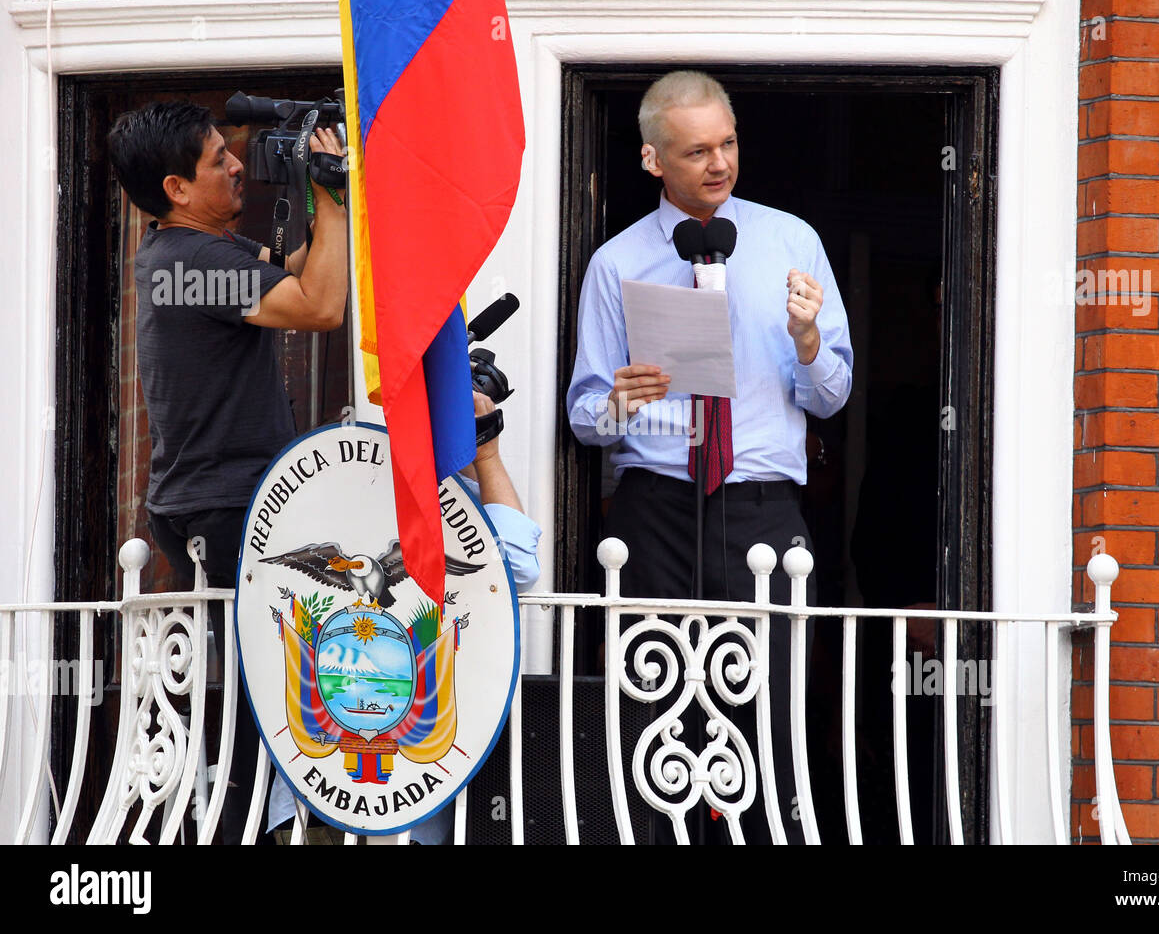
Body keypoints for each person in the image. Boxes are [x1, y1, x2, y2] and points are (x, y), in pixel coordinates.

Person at [565, 71, 853, 843]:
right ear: (654, 160)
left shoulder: (793, 243)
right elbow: (585, 417)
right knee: (649, 707)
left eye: (727, 143)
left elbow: (830, 396)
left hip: (763, 508)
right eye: (696, 150)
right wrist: (620, 399)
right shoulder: (615, 263)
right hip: (654, 508)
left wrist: (806, 341)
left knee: (772, 708)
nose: (719, 163)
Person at [108, 100, 349, 843]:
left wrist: (325, 194)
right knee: (254, 697)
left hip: (218, 504)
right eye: (219, 159)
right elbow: (321, 306)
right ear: (177, 188)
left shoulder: (186, 256)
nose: (239, 163)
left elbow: (302, 271)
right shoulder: (194, 262)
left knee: (267, 685)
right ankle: (242, 829)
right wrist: (333, 192)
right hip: (223, 508)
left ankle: (258, 821)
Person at [264, 391, 542, 844]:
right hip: (381, 805)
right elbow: (516, 566)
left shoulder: (333, 485)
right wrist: (486, 456)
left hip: (318, 796)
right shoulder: (411, 501)